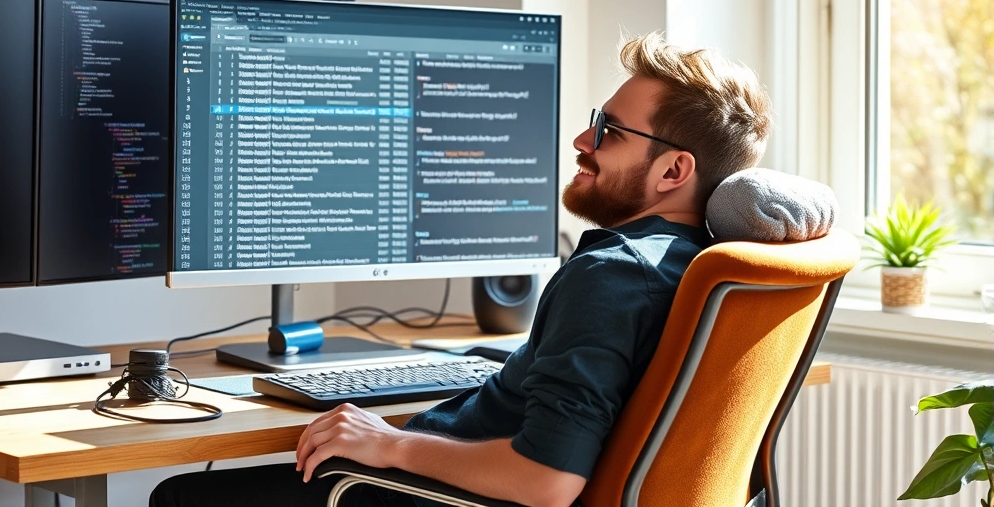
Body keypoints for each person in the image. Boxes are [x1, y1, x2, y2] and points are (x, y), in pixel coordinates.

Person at [149, 32, 773, 507]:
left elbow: (549, 480)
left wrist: (389, 443)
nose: (582, 142)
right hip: (456, 475)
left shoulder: (610, 276)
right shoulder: (705, 269)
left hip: (440, 496)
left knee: (181, 496)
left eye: (608, 131)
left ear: (673, 171)